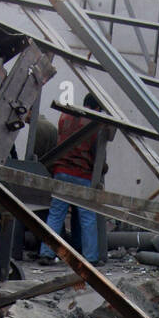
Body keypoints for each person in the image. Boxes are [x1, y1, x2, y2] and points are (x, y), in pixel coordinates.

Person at [39, 92, 103, 265]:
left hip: (61, 170)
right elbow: (96, 152)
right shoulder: (94, 122)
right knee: (87, 217)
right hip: (82, 173)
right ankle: (91, 257)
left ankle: (46, 253)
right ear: (97, 108)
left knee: (55, 214)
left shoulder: (64, 116)